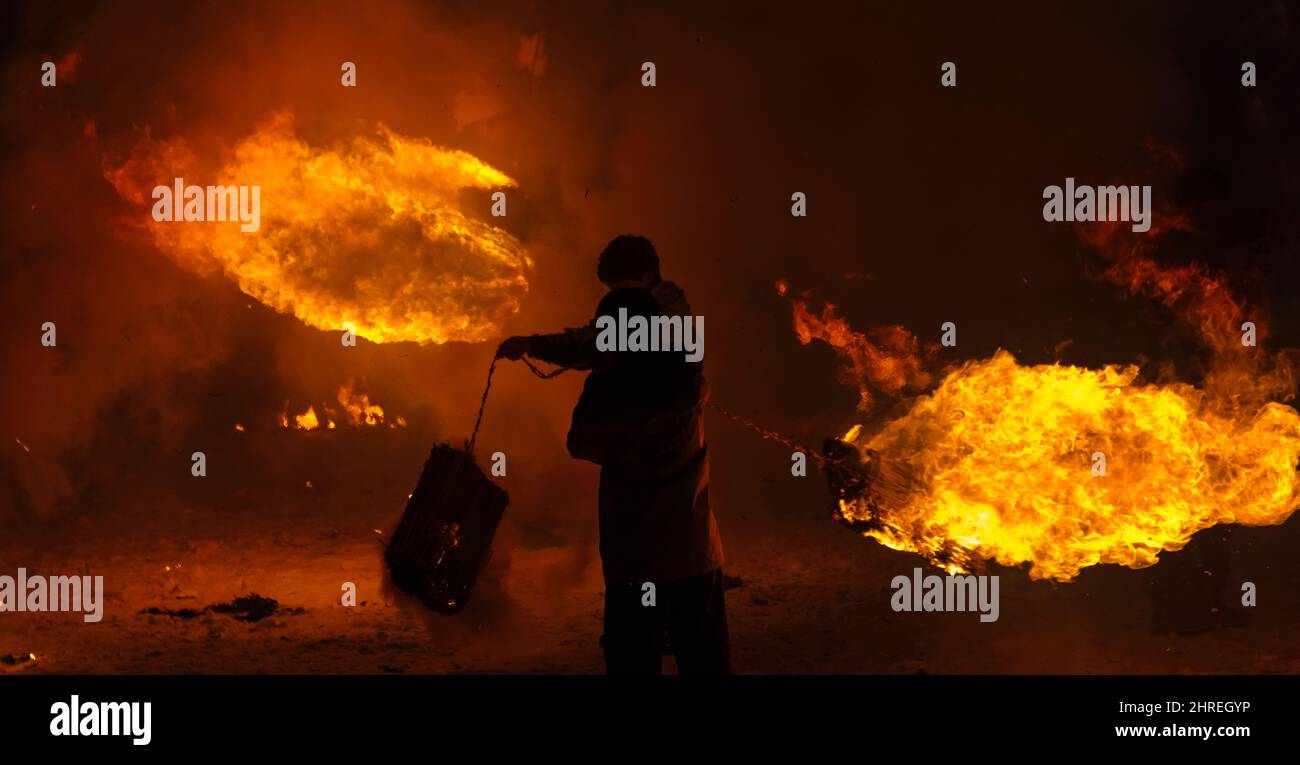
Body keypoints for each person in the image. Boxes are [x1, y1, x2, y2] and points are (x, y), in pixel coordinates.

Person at [496, 236, 729, 674]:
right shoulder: (674, 343)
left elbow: (582, 437)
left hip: (638, 554)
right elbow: (599, 345)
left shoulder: (623, 387)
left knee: (637, 656)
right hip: (691, 549)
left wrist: (537, 346)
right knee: (701, 655)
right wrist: (536, 344)